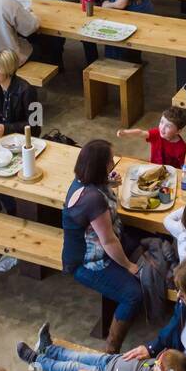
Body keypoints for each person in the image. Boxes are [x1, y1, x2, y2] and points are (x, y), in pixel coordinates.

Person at [61, 138, 143, 353]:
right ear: (100, 166)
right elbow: (108, 241)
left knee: (146, 238)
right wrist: (128, 266)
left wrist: (107, 183)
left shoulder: (82, 183)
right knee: (133, 295)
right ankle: (111, 349)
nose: (113, 163)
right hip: (88, 262)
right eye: (110, 161)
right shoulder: (92, 200)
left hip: (99, 249)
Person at [16, 324, 186, 371]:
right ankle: (49, 348)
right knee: (77, 355)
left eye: (158, 365)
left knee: (71, 367)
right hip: (109, 360)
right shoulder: (158, 364)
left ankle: (36, 360)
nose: (156, 360)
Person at [116, 107, 186, 167]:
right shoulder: (157, 133)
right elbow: (140, 133)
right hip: (153, 167)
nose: (162, 128)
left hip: (170, 175)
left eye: (168, 126)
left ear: (178, 131)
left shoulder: (181, 148)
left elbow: (184, 167)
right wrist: (126, 132)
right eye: (162, 122)